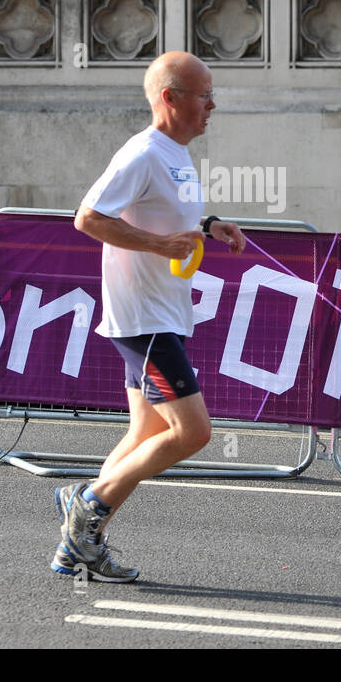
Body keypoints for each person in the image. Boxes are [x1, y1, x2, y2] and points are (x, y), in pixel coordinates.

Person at [54, 51, 245, 583]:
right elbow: (88, 217)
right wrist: (160, 245)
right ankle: (87, 507)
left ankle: (76, 545)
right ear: (170, 98)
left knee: (144, 432)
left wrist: (208, 225)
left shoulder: (177, 152)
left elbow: (165, 211)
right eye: (204, 94)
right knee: (193, 433)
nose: (213, 104)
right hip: (145, 318)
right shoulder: (142, 152)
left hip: (162, 312)